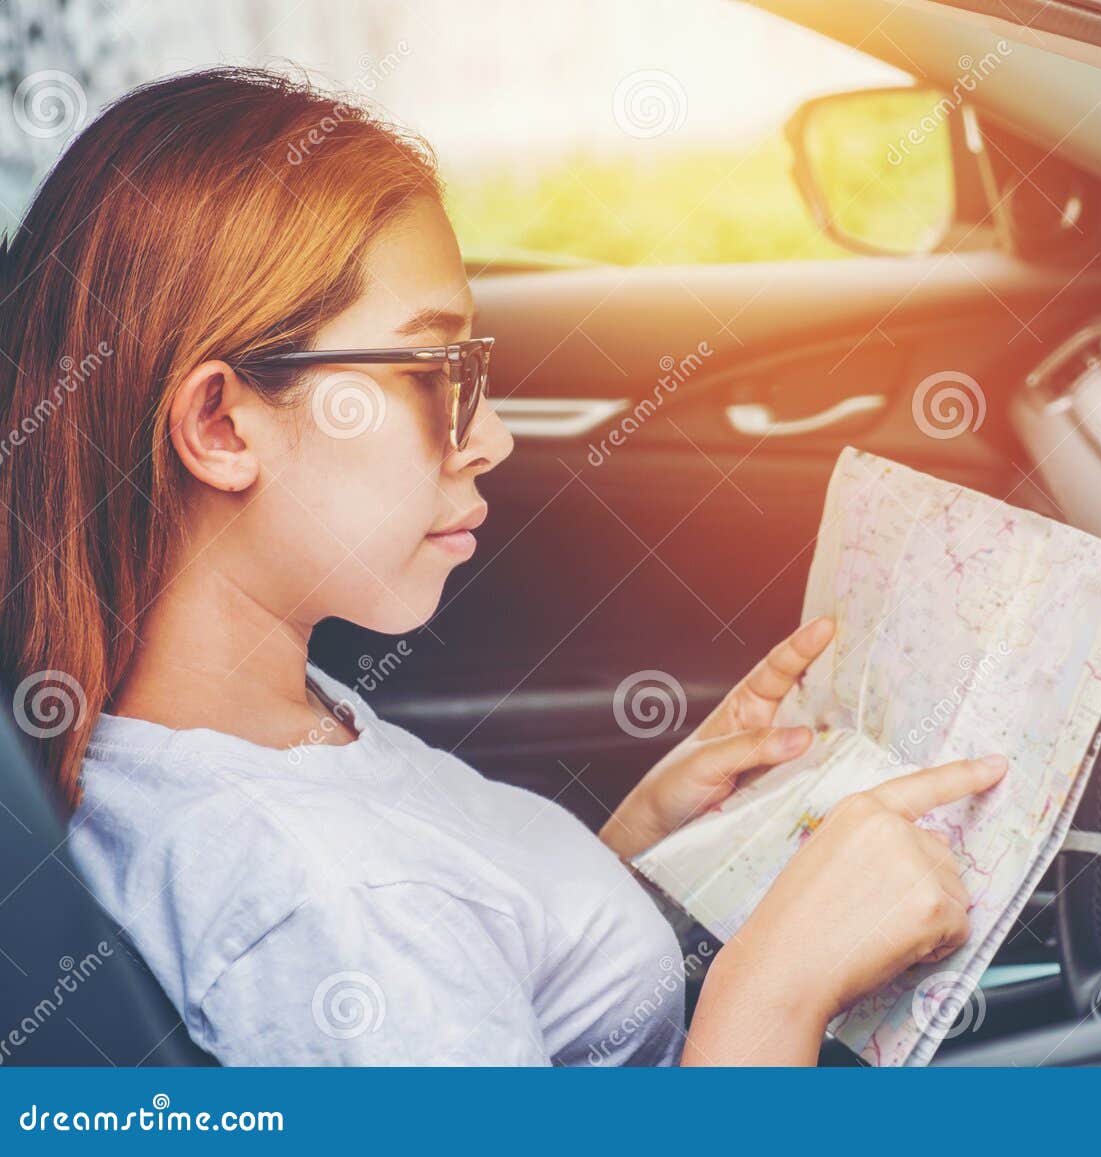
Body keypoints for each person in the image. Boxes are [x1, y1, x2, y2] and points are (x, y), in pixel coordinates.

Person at [0, 68, 1006, 1065]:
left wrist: (627, 867)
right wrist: (778, 984)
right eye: (435, 373)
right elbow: (396, 937)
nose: (490, 435)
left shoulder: (211, 733)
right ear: (220, 426)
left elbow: (469, 973)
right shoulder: (334, 909)